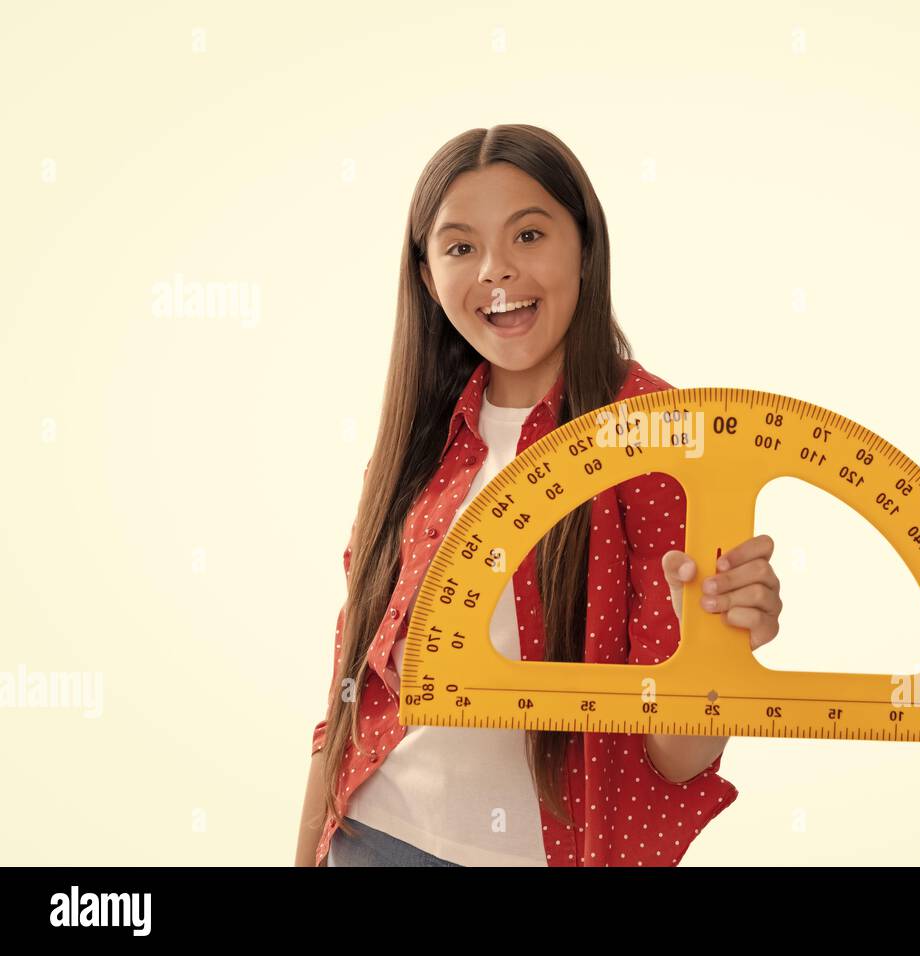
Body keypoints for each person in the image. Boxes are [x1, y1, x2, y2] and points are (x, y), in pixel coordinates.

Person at [295, 125, 783, 867]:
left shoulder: (662, 440)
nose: (497, 270)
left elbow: (679, 758)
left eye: (528, 234)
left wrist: (714, 643)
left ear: (585, 248)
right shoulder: (418, 436)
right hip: (369, 839)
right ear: (428, 277)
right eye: (460, 247)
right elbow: (347, 688)